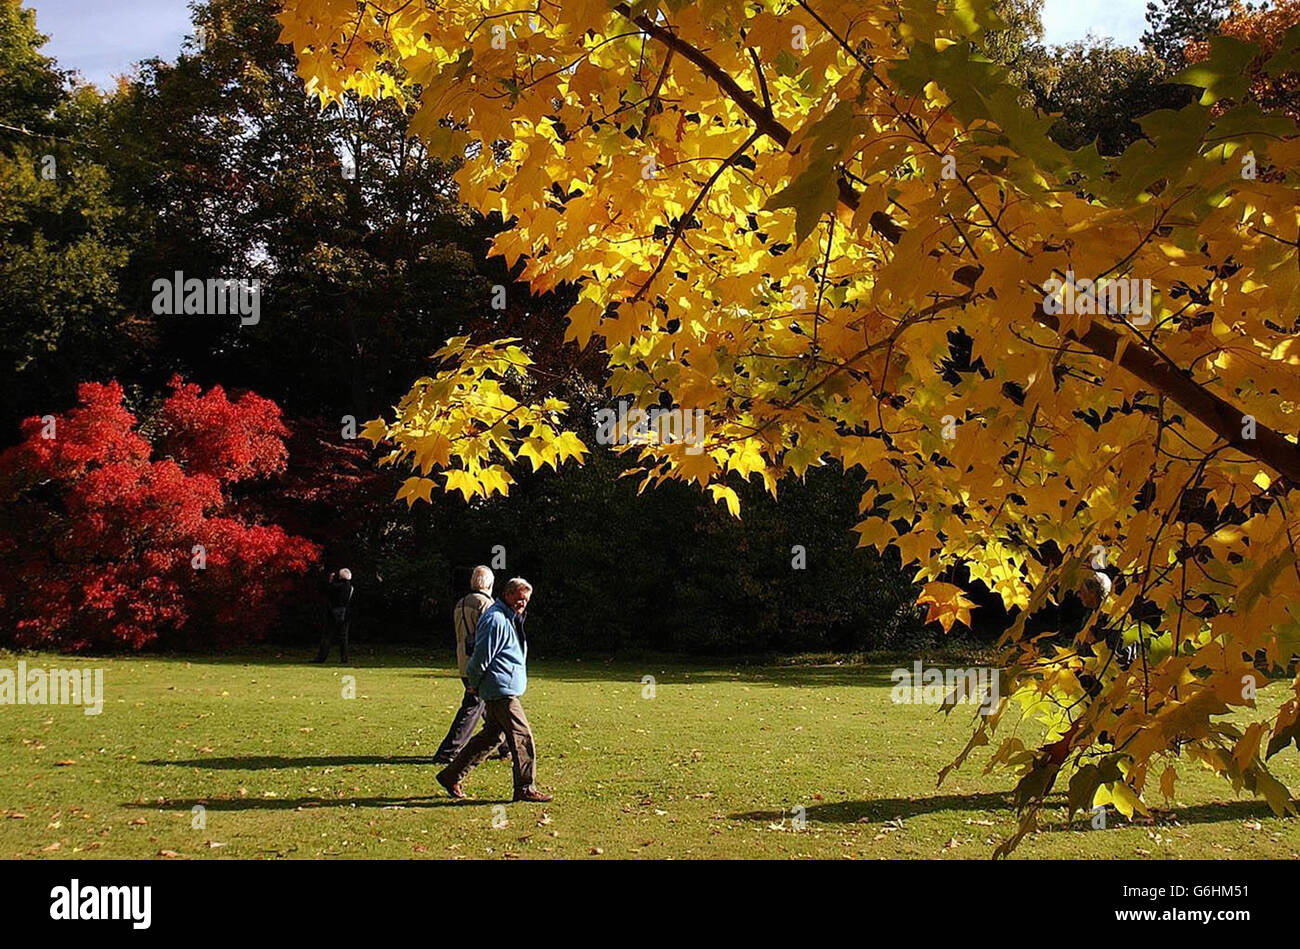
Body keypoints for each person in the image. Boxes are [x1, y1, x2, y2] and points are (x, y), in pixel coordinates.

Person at [437, 577, 552, 802]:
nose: (523, 603)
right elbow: (481, 657)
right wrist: (473, 683)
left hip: (502, 686)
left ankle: (451, 775)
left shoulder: (508, 617)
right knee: (521, 736)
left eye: (526, 600)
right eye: (519, 599)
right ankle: (524, 788)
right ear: (507, 595)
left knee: (490, 737)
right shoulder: (496, 619)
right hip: (500, 689)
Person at [432, 566, 508, 764]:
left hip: (463, 662)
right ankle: (448, 751)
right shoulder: (487, 604)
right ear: (489, 583)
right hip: (481, 664)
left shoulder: (460, 603)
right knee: (475, 706)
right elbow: (490, 637)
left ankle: (506, 748)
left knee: (489, 708)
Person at [312, 568, 354, 664]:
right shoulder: (350, 587)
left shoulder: (336, 587)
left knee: (327, 636)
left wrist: (330, 580)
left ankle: (321, 657)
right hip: (345, 614)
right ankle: (344, 658)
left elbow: (326, 590)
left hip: (333, 613)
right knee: (343, 637)